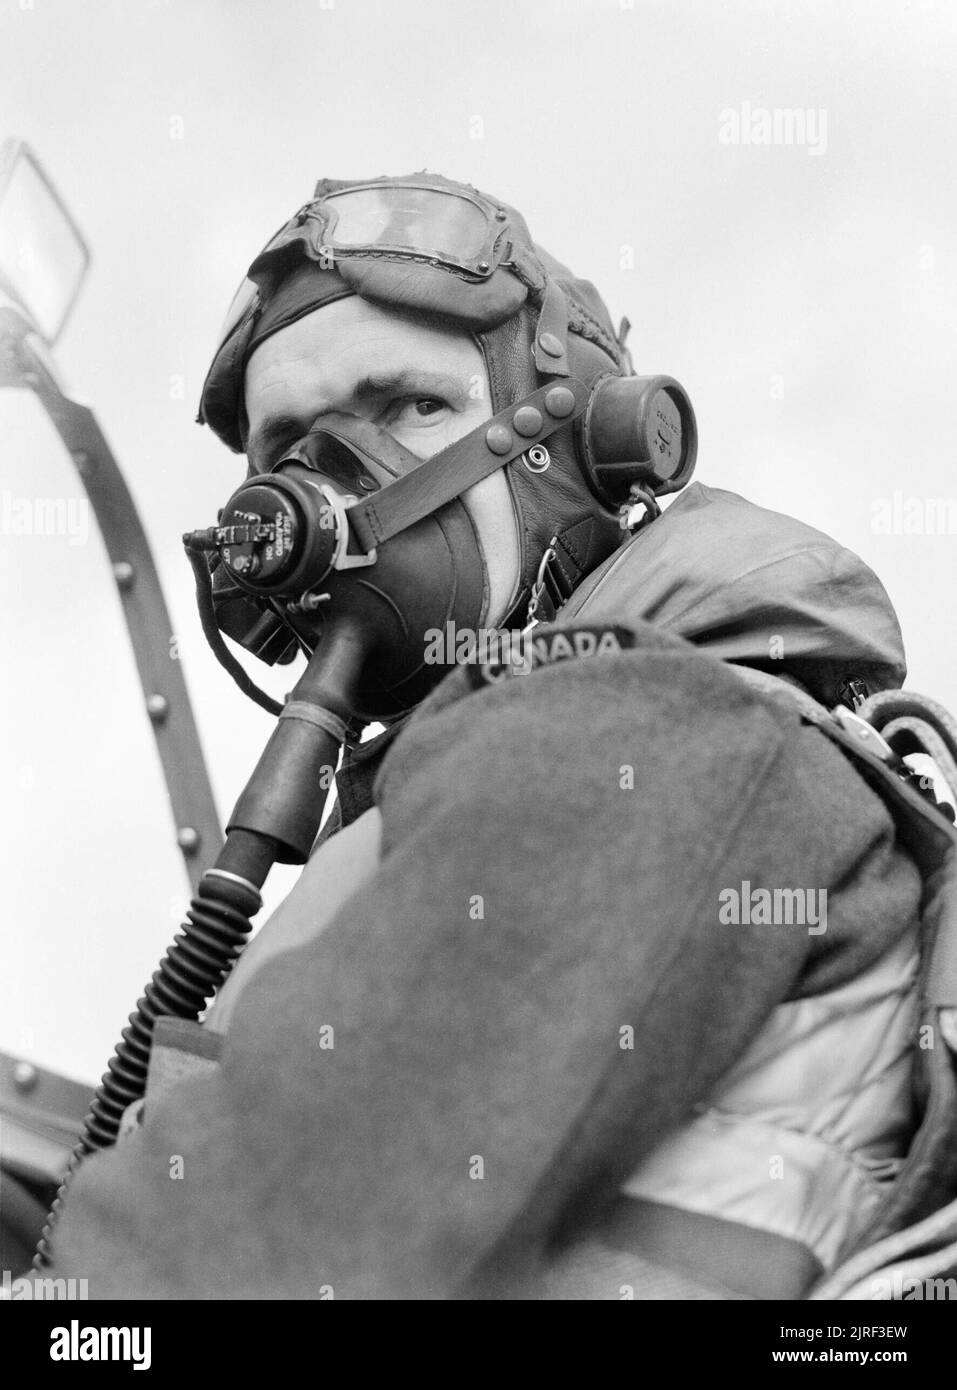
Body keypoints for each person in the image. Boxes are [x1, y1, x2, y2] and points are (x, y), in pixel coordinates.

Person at [42, 173, 954, 1300]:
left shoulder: (645, 732)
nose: (324, 482)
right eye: (288, 446)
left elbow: (219, 1268)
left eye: (411, 406)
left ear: (579, 459)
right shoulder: (496, 768)